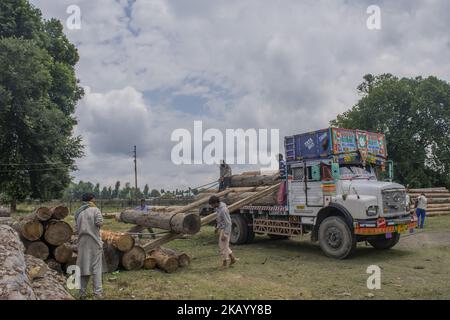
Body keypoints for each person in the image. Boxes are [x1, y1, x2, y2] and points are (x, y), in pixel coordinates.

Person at [74, 193, 104, 299]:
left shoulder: (78, 213)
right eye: (94, 199)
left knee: (83, 267)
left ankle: (82, 293)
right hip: (94, 242)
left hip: (82, 243)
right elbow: (99, 223)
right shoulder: (95, 210)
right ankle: (98, 293)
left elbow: (76, 230)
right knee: (96, 268)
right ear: (91, 199)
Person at [209, 196, 237, 268]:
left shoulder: (223, 210)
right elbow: (220, 220)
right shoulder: (218, 208)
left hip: (225, 229)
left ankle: (225, 263)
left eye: (212, 204)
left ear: (216, 203)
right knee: (224, 246)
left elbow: (228, 223)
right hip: (222, 228)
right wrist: (217, 228)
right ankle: (232, 258)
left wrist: (225, 234)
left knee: (222, 247)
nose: (212, 206)